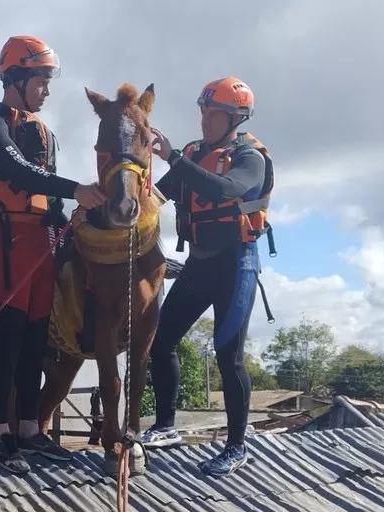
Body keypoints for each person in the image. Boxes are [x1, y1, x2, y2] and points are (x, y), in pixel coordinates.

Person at [0, 35, 106, 474]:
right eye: (41, 81)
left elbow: (50, 195)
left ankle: (30, 430)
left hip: (41, 244)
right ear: (18, 77)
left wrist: (67, 225)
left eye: (47, 81)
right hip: (7, 241)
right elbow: (14, 170)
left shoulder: (44, 132)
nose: (46, 89)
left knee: (33, 340)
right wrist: (74, 187)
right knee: (6, 338)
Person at [144, 77, 274, 477]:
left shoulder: (250, 157)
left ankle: (237, 447)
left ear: (234, 117)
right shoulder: (194, 154)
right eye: (202, 110)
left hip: (237, 264)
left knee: (227, 354)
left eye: (213, 112)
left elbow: (226, 189)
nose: (204, 119)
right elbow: (157, 196)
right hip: (200, 263)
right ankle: (166, 426)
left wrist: (174, 158)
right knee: (161, 339)